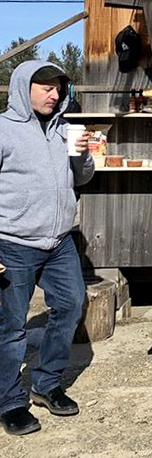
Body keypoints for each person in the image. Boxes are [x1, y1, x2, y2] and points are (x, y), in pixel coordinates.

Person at [0, 60, 94, 437]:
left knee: (71, 305)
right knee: (11, 328)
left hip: (58, 241)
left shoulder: (64, 130)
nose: (54, 95)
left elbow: (82, 178)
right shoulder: (4, 130)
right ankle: (9, 402)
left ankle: (45, 382)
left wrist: (82, 156)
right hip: (13, 242)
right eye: (46, 88)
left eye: (58, 88)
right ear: (24, 88)